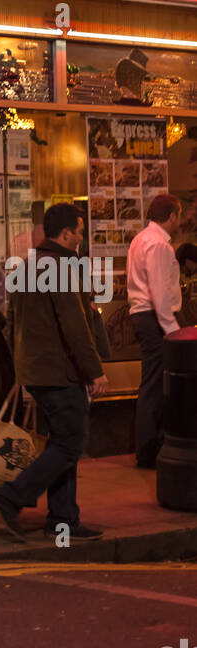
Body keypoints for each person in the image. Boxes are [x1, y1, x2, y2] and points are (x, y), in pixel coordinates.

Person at [0, 202, 107, 541]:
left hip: (35, 372)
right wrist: (95, 371)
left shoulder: (28, 266)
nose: (81, 241)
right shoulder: (61, 268)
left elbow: (12, 323)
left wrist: (23, 362)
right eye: (80, 234)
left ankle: (63, 521)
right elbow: (75, 327)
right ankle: (11, 496)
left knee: (61, 442)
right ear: (66, 233)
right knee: (71, 443)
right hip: (60, 373)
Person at [126, 194, 183, 469]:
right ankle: (149, 448)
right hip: (155, 318)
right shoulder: (158, 244)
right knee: (154, 385)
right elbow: (159, 291)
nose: (180, 221)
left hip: (143, 315)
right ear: (171, 215)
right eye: (179, 215)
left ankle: (147, 446)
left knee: (151, 383)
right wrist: (173, 329)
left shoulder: (141, 239)